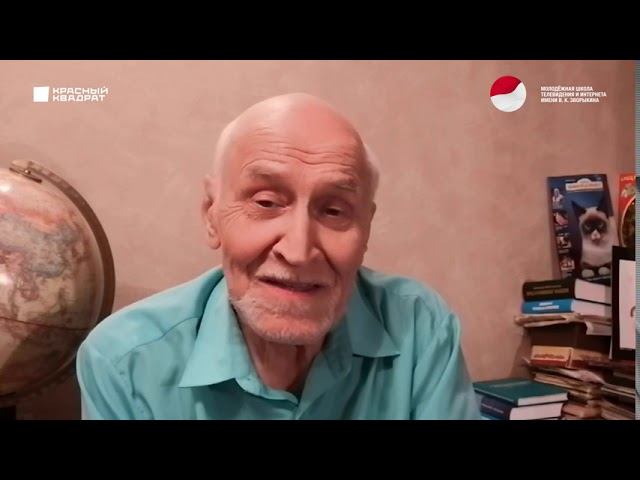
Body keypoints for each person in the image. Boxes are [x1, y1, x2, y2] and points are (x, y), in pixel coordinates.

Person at [76, 93, 481, 420]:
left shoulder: (420, 327)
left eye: (334, 211)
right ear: (212, 215)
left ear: (366, 229)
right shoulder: (124, 362)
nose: (299, 251)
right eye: (266, 202)